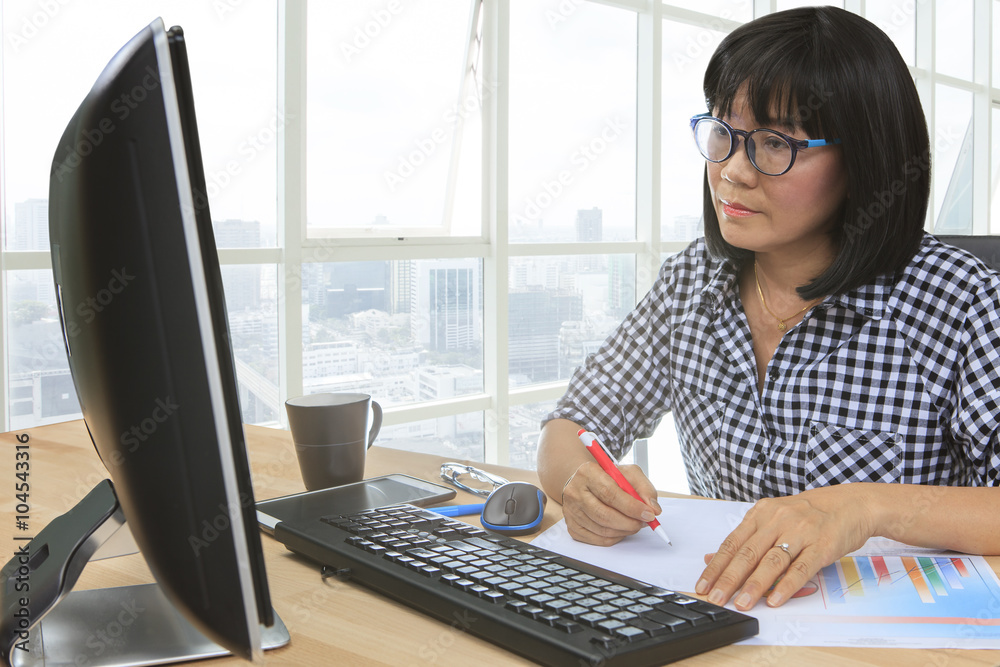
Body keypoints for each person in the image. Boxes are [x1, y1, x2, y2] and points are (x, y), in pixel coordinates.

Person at [537, 5, 1000, 614]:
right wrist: (579, 484)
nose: (731, 171)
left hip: (884, 637)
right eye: (723, 133)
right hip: (713, 617)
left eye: (775, 144)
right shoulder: (689, 285)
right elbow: (571, 426)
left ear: (866, 160)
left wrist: (863, 507)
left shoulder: (958, 301)